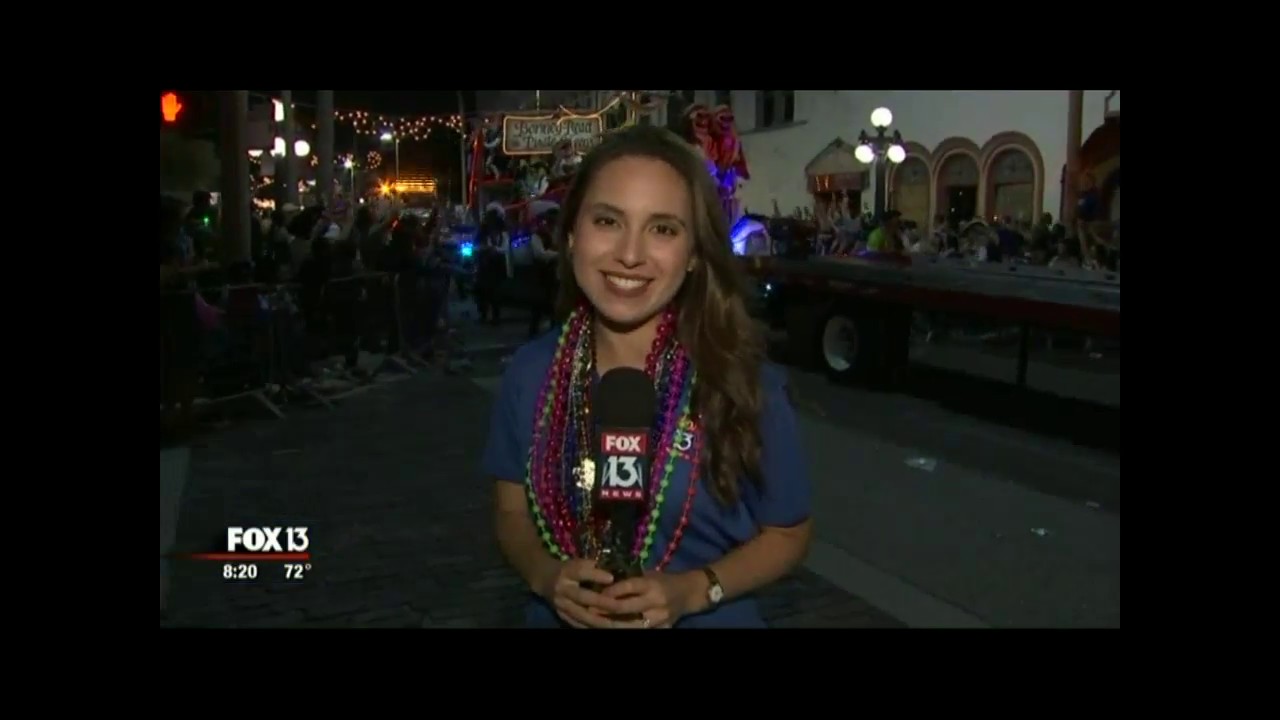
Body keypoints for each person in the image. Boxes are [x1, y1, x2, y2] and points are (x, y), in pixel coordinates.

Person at [482, 125, 812, 629]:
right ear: (571, 235)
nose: (630, 254)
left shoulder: (744, 382)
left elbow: (788, 534)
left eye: (663, 229)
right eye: (608, 220)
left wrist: (696, 590)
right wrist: (545, 575)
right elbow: (511, 515)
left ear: (695, 254)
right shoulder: (531, 373)